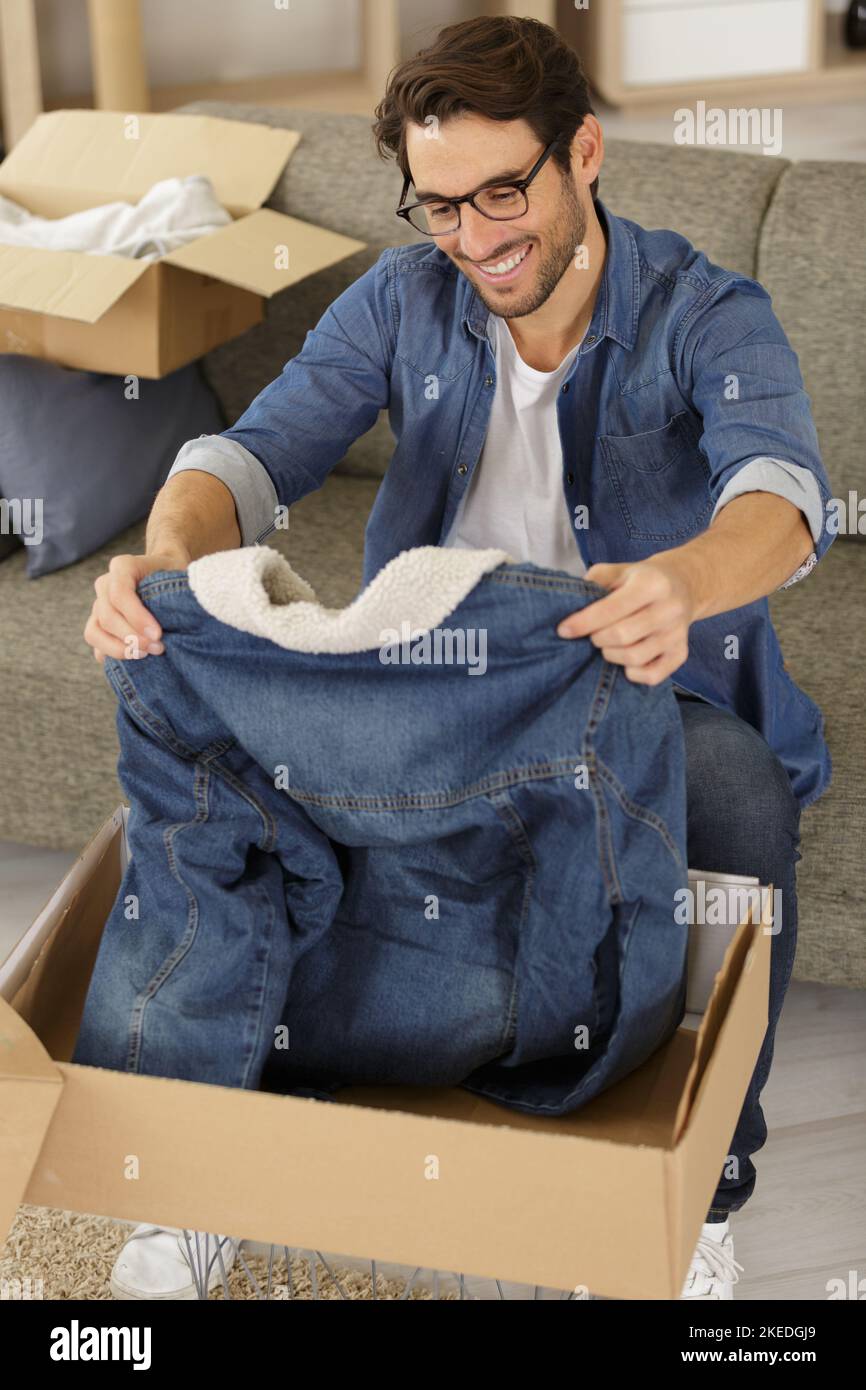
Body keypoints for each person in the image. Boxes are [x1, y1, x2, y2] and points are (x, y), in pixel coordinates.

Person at [84, 16, 833, 1301]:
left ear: (581, 153)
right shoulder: (401, 295)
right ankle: (203, 1171)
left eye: (504, 192)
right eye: (440, 206)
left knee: (742, 801)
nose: (478, 238)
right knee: (207, 759)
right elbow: (248, 461)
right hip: (429, 684)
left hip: (635, 684)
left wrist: (682, 582)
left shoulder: (703, 308)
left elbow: (781, 495)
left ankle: (695, 1194)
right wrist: (168, 561)